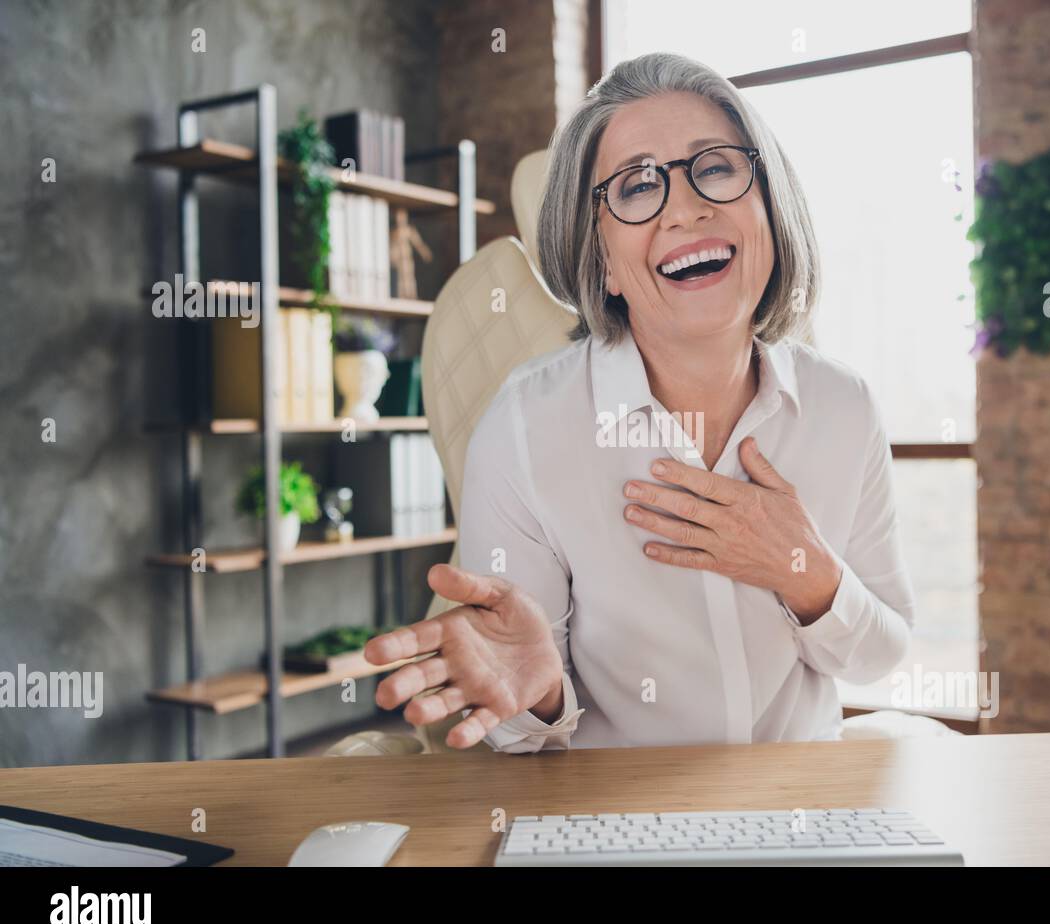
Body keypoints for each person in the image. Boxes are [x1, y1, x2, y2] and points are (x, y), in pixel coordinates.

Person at [364, 52, 915, 752]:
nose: (685, 208)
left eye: (715, 167)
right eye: (634, 187)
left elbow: (878, 654)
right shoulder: (527, 426)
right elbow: (516, 726)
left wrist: (804, 568)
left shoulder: (845, 406)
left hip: (800, 811)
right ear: (602, 261)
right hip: (612, 820)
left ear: (769, 209)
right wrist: (540, 693)